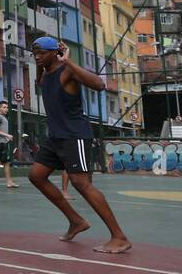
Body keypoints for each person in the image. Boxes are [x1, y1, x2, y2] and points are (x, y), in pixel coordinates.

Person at [28, 37, 131, 254]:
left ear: (54, 53)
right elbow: (41, 84)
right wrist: (39, 67)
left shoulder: (67, 71)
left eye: (41, 53)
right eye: (34, 53)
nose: (37, 56)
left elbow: (99, 85)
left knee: (81, 183)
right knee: (36, 175)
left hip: (74, 135)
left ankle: (119, 236)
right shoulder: (46, 73)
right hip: (56, 136)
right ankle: (76, 220)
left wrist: (68, 61)